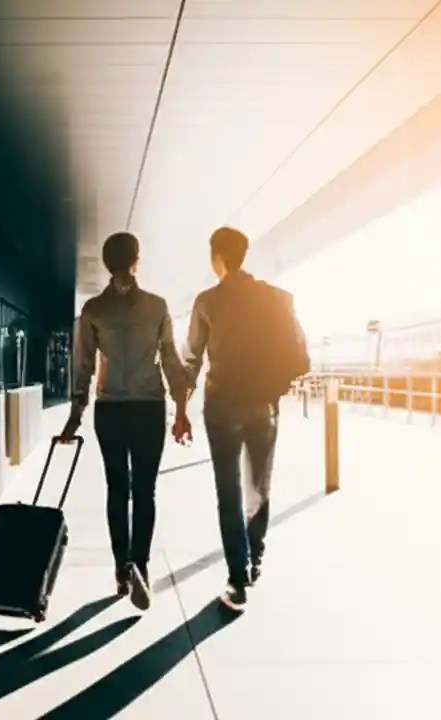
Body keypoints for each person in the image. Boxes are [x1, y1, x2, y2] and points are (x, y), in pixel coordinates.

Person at [177, 226, 309, 612]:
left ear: (216, 257)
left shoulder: (207, 302)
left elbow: (191, 361)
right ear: (244, 254)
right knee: (258, 484)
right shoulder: (278, 299)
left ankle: (237, 577)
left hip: (221, 408)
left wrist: (181, 408)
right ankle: (256, 556)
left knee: (228, 491)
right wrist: (273, 390)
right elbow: (301, 358)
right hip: (262, 406)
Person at [59, 231, 189, 612]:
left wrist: (74, 416)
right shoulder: (157, 306)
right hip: (149, 408)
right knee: (145, 491)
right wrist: (181, 410)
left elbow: (82, 367)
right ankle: (141, 568)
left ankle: (121, 570)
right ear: (137, 259)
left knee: (118, 489)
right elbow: (171, 362)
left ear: (105, 263)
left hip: (111, 410)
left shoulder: (94, 310)